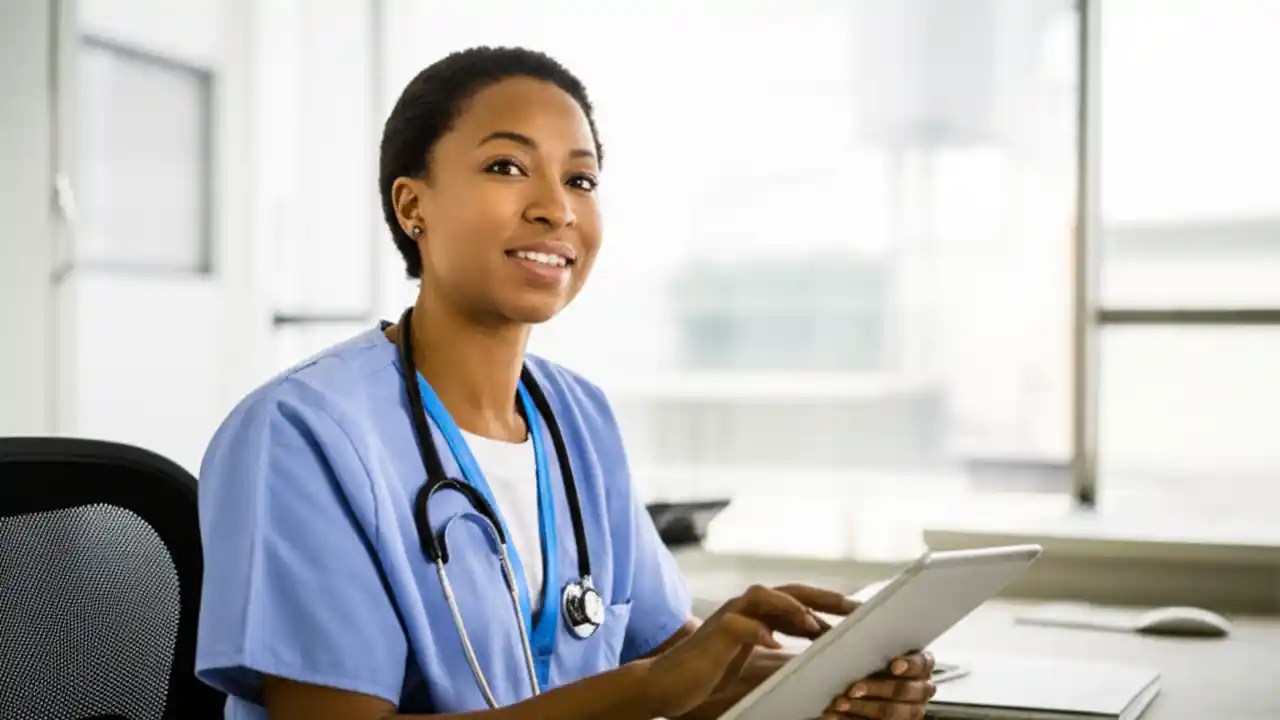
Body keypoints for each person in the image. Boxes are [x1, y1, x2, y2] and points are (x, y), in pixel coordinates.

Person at [195, 46, 936, 720]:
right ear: (411, 205)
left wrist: (835, 680)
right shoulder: (304, 433)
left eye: (580, 179)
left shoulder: (576, 415)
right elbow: (650, 685)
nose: (556, 207)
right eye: (507, 168)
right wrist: (646, 691)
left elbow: (674, 665)